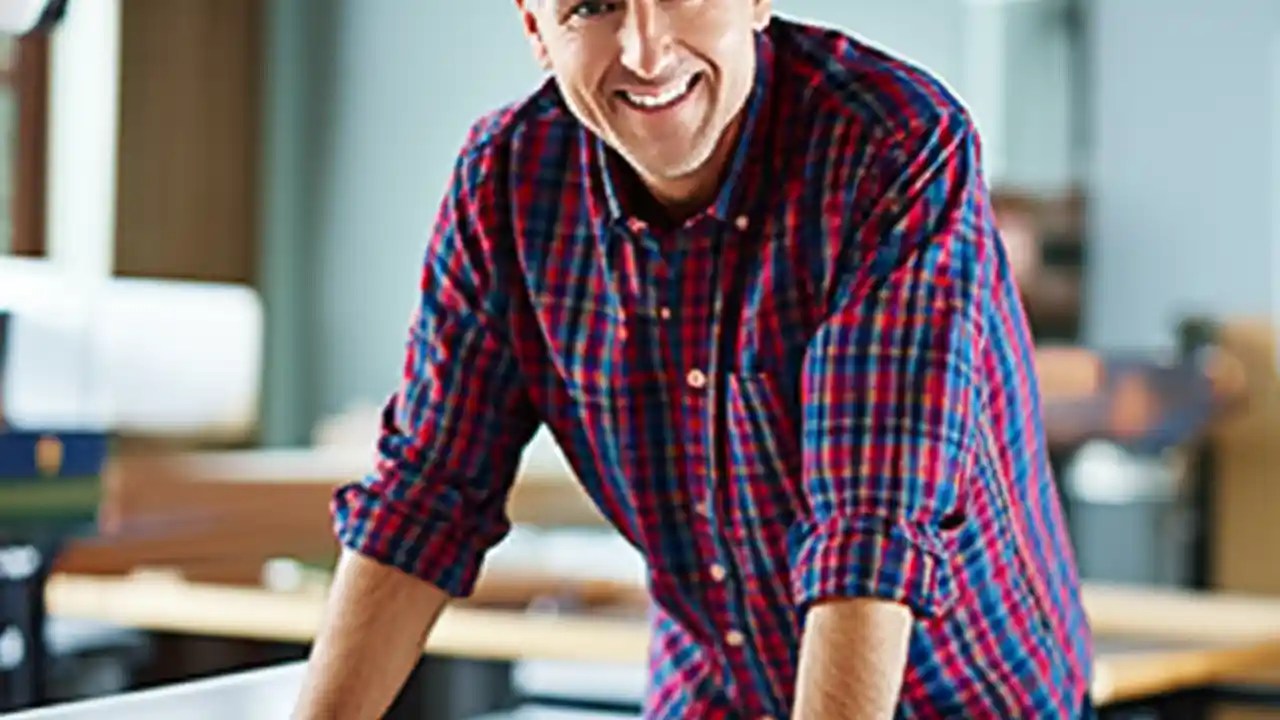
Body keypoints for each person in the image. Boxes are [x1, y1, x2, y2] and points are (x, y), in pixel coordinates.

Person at [293, 1, 1095, 717]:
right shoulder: (504, 186)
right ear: (536, 26)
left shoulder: (892, 146)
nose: (645, 50)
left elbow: (870, 526)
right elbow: (424, 500)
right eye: (593, 6)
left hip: (969, 693)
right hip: (720, 677)